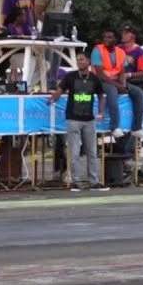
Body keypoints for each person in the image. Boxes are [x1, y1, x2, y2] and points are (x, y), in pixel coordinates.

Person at [48, 52, 107, 192]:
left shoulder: (94, 79)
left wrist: (100, 111)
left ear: (88, 61)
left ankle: (94, 182)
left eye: (82, 59)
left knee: (92, 152)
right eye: (78, 60)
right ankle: (76, 181)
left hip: (89, 120)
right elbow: (60, 89)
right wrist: (52, 99)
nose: (79, 62)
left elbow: (101, 95)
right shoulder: (70, 76)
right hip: (73, 118)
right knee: (74, 153)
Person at [89, 29, 143, 140]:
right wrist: (118, 86)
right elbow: (100, 74)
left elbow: (121, 71)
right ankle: (114, 126)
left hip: (116, 80)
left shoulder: (121, 52)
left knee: (138, 92)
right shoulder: (97, 50)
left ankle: (137, 128)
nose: (106, 39)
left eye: (109, 37)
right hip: (100, 81)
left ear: (114, 40)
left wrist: (123, 84)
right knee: (112, 92)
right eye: (104, 37)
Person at [119, 26, 143, 93]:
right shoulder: (118, 49)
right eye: (123, 33)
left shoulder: (139, 52)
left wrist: (129, 75)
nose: (122, 35)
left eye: (126, 33)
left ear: (133, 36)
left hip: (132, 82)